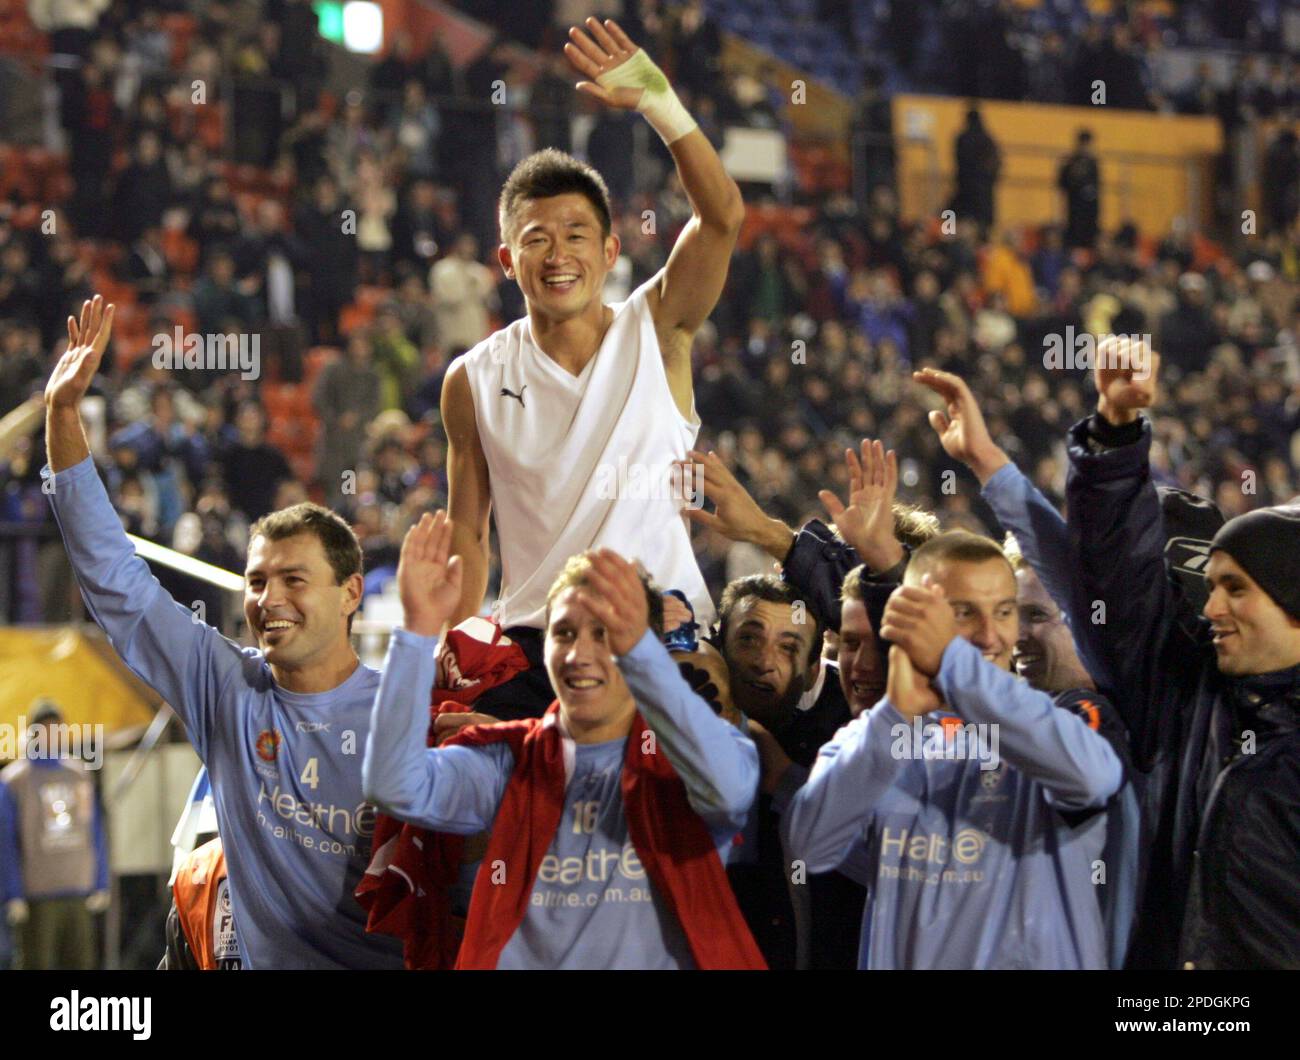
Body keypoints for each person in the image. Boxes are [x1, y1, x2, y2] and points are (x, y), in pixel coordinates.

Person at [41, 296, 404, 969]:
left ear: (352, 592)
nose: (270, 600)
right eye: (257, 582)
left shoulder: (403, 712)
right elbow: (115, 579)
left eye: (296, 580)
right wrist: (63, 419)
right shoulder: (226, 688)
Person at [442, 17, 745, 718]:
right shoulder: (472, 379)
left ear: (611, 251)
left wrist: (656, 101)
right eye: (536, 239)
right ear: (506, 260)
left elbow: (723, 216)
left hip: (666, 637)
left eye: (576, 235)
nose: (558, 255)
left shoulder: (659, 327)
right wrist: (452, 639)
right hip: (536, 647)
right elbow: (467, 532)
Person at [363, 513, 763, 969]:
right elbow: (394, 786)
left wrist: (646, 659)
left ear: (642, 649)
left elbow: (730, 792)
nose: (578, 655)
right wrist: (417, 630)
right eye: (564, 633)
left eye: (605, 635)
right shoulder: (509, 758)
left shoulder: (688, 760)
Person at [785, 532, 1125, 968]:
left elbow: (1093, 778)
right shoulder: (872, 734)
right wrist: (895, 715)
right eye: (963, 613)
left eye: (1005, 611)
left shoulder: (1059, 722)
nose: (991, 635)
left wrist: (952, 664)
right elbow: (809, 845)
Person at [1065, 337, 1300, 969]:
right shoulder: (1187, 691)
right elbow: (1117, 587)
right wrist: (1114, 439)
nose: (1212, 608)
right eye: (1211, 585)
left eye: (1236, 589)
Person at [0, 699, 109, 970]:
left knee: (82, 962)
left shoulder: (78, 774)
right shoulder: (16, 779)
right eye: (46, 729)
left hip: (77, 888)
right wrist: (12, 893)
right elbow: (6, 841)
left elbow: (93, 830)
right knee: (38, 962)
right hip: (37, 894)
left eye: (57, 729)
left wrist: (101, 880)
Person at [1058, 129, 1101, 249]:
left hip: (1090, 207)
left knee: (1089, 233)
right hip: (1075, 205)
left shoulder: (1092, 162)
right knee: (1075, 232)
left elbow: (1097, 187)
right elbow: (1062, 182)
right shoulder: (1071, 161)